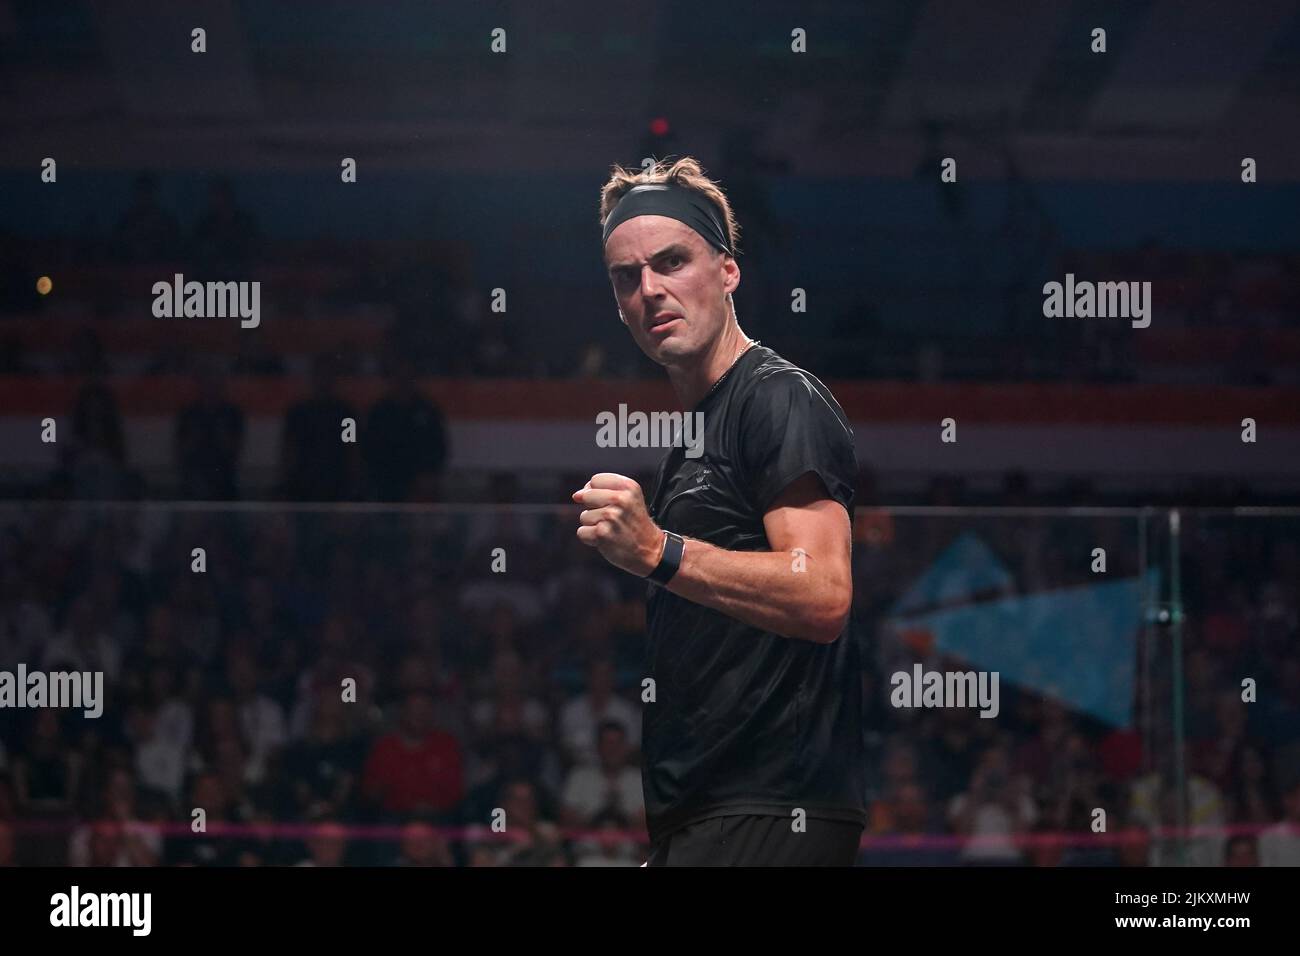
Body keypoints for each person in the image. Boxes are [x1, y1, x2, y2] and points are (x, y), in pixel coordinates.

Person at [572, 157, 865, 865]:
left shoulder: (777, 398)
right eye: (626, 275)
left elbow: (824, 595)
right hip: (712, 818)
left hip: (769, 809)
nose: (649, 290)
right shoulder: (698, 434)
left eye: (672, 261)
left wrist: (657, 551)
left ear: (728, 271)